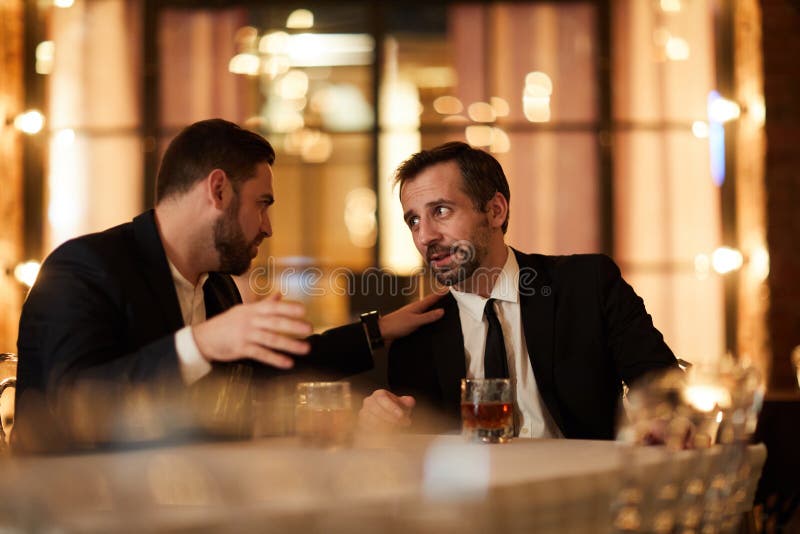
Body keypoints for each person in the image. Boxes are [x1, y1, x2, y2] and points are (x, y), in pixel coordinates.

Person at [14, 119, 443, 452]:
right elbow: (68, 401)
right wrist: (200, 344)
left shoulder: (217, 288)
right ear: (218, 190)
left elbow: (270, 368)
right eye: (263, 204)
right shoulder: (85, 268)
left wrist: (377, 330)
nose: (268, 227)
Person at [358, 141, 678, 440]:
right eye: (413, 221)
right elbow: (419, 452)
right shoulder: (418, 336)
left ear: (496, 211)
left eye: (441, 211)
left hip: (590, 489)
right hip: (475, 497)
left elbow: (663, 387)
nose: (424, 236)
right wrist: (384, 423)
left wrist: (662, 417)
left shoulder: (586, 285)